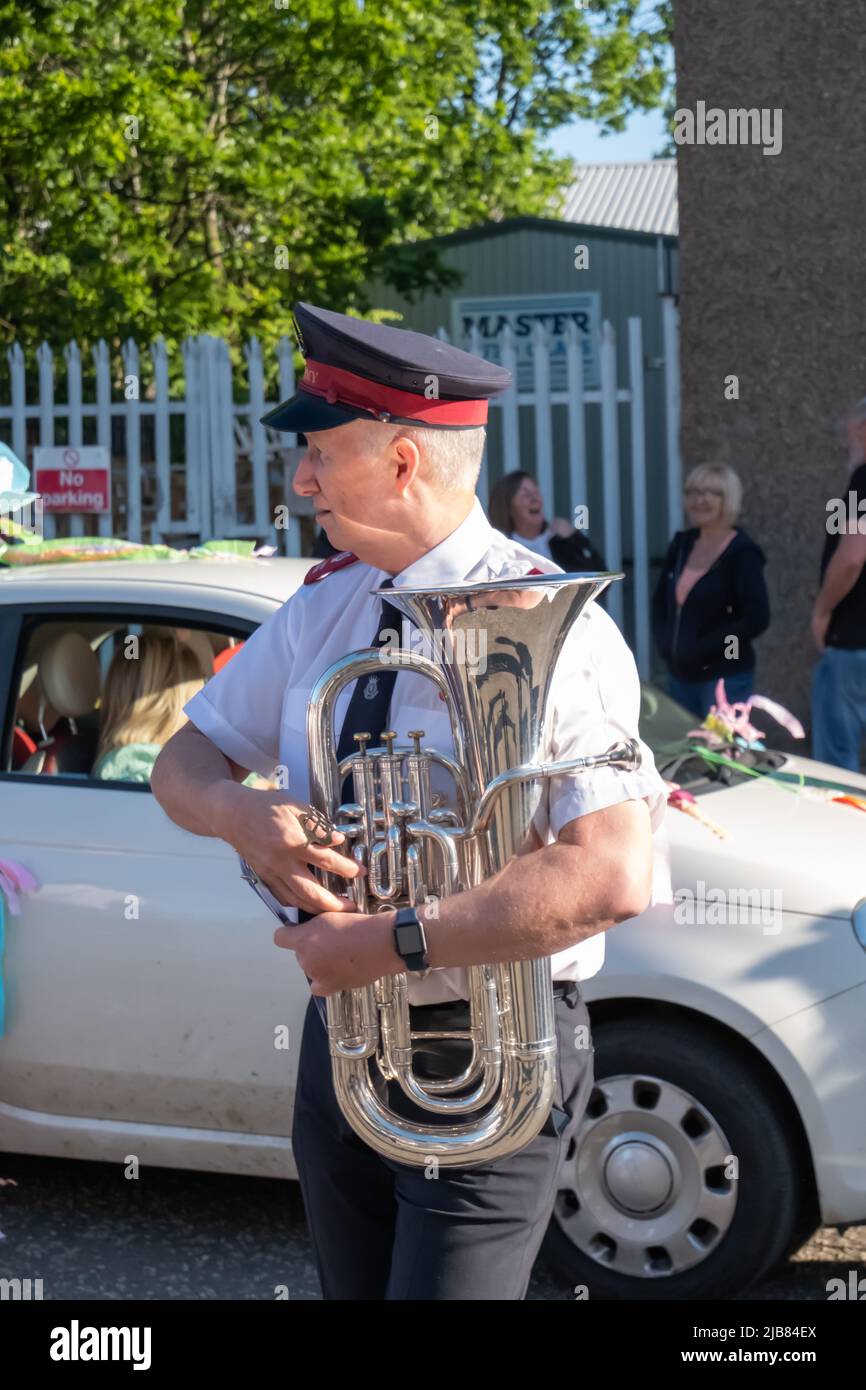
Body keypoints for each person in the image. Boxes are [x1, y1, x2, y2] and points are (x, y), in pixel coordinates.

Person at [151, 301, 671, 1302]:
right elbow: (181, 764)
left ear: (398, 462)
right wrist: (240, 818)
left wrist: (392, 940)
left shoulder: (548, 620)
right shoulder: (323, 605)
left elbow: (610, 872)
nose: (298, 478)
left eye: (317, 454)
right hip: (344, 1036)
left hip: (493, 1044)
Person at [651, 462, 770, 720]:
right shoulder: (683, 544)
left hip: (723, 677)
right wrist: (665, 644)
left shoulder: (742, 553)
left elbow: (757, 617)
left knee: (721, 754)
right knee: (688, 754)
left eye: (710, 493)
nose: (699, 500)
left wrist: (707, 647)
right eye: (693, 492)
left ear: (727, 500)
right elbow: (661, 602)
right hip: (680, 675)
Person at [810, 399, 866, 770]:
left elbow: (852, 558)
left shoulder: (864, 479)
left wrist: (821, 612)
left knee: (836, 768)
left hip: (854, 643)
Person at [92, 632, 207, 783]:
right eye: (198, 693)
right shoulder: (137, 768)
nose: (203, 705)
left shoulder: (133, 763)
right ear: (170, 704)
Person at [488, 469, 606, 571]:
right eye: (525, 495)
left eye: (536, 492)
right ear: (508, 508)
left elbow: (600, 581)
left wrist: (574, 538)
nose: (535, 499)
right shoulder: (501, 548)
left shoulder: (560, 541)